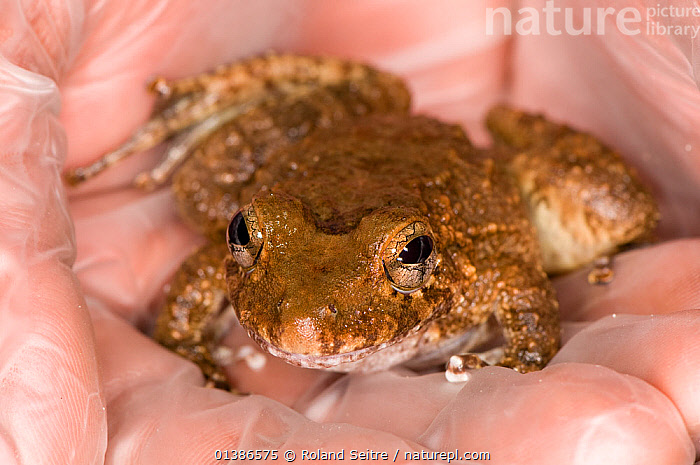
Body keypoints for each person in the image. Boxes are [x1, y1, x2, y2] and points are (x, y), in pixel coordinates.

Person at [1, 1, 698, 463]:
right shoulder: (248, 260)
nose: (307, 311)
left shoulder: (474, 275)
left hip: (468, 176)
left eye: (407, 257)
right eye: (250, 238)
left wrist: (521, 357)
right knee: (206, 195)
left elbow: (518, 287)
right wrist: (189, 336)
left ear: (426, 256)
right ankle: (217, 138)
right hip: (338, 144)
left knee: (618, 215)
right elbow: (202, 274)